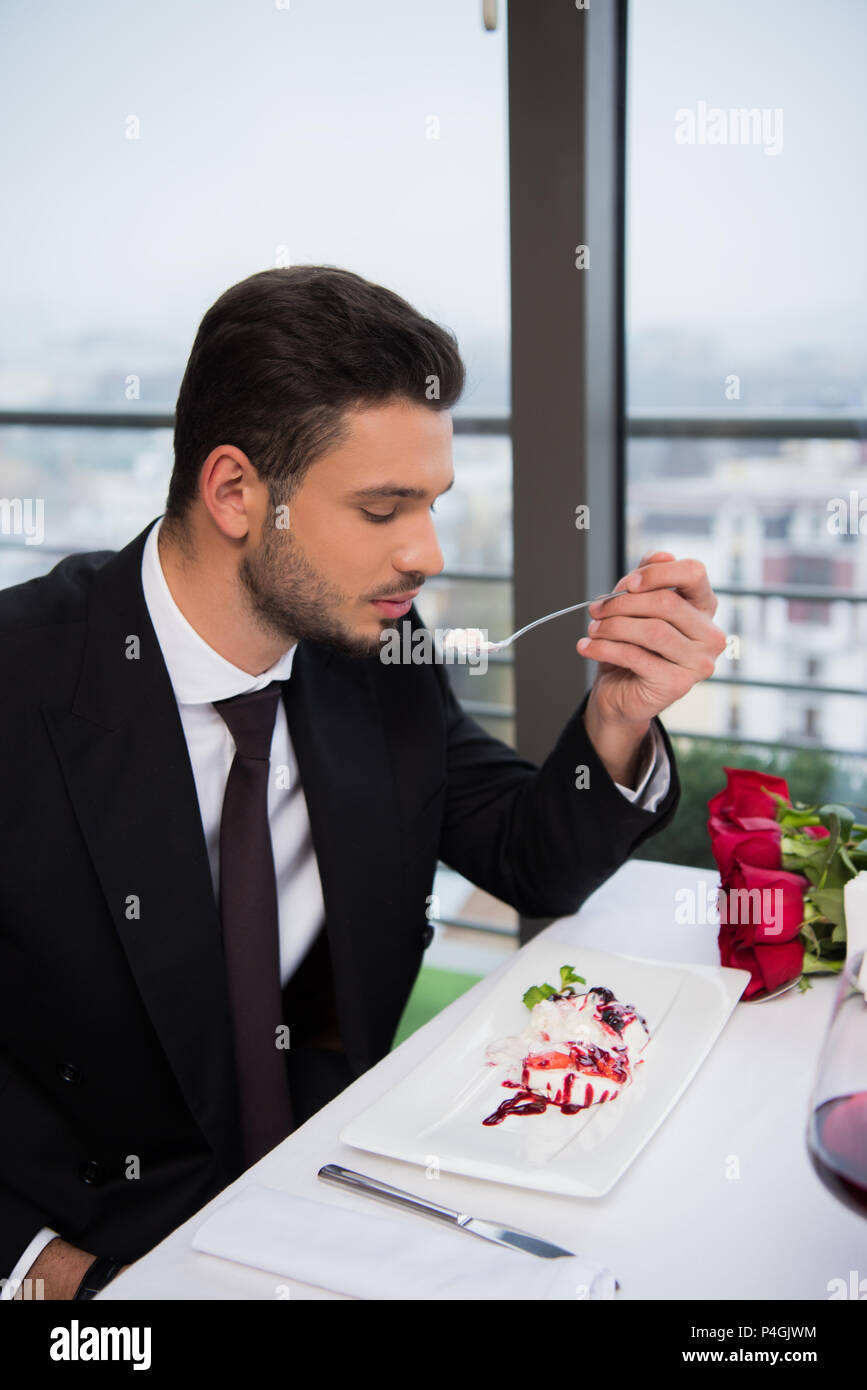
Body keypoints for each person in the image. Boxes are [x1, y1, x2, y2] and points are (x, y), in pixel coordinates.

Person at [0, 266, 726, 1300]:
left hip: (345, 1212)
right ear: (237, 493)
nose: (425, 552)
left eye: (430, 504)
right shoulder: (22, 683)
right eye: (383, 507)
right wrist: (49, 1274)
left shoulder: (371, 650)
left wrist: (617, 714)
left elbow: (530, 856)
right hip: (103, 1259)